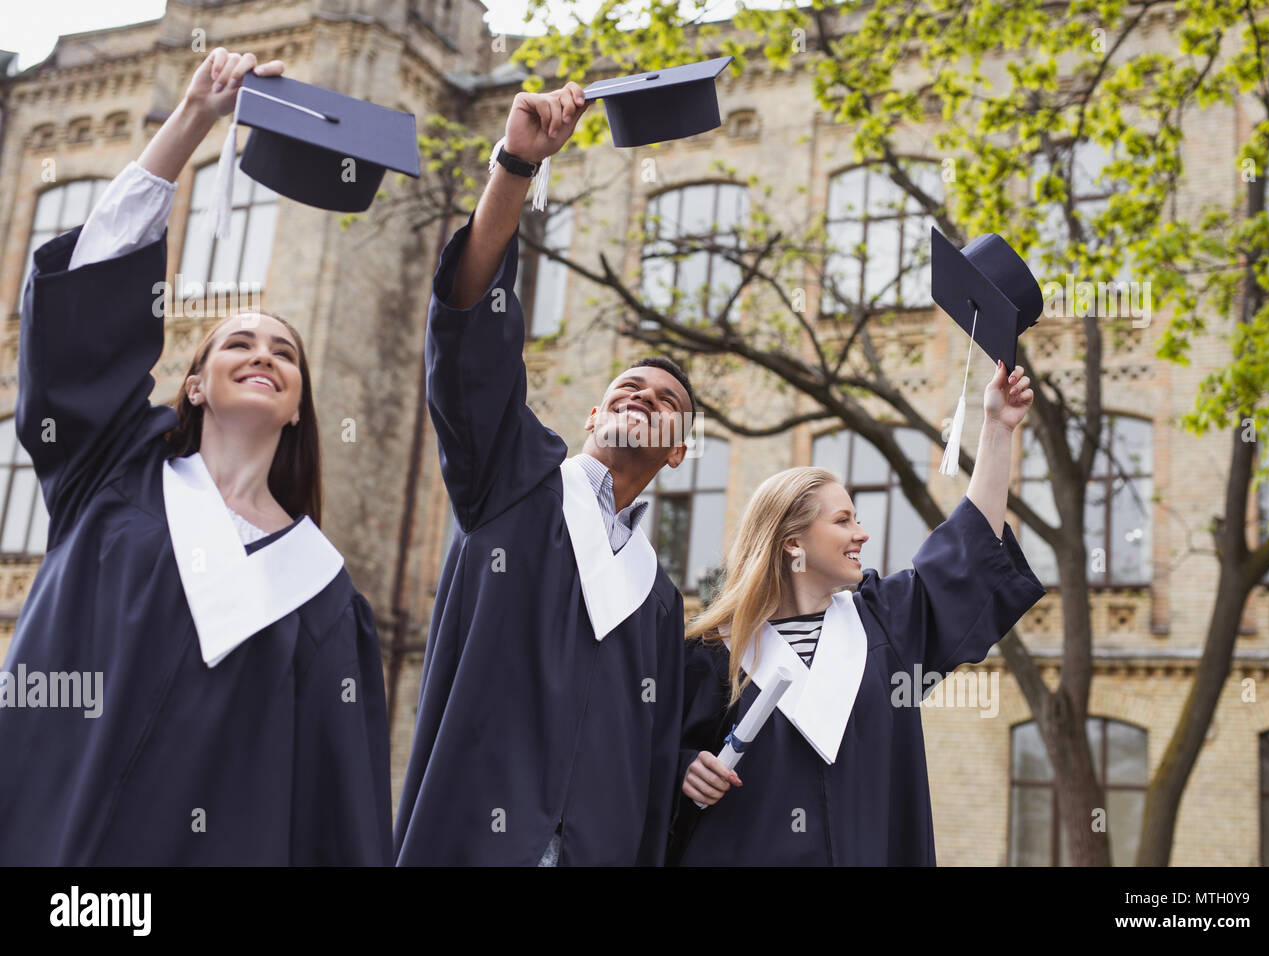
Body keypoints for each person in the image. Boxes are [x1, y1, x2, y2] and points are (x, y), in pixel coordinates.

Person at [0, 49, 392, 865]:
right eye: (237, 344)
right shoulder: (114, 468)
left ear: (297, 407)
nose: (263, 354)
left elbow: (336, 803)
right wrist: (193, 120)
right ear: (196, 385)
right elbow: (83, 312)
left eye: (284, 352)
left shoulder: (323, 594)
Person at [394, 82, 694, 865]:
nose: (641, 393)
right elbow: (470, 334)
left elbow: (657, 772)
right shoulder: (514, 483)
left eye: (667, 400)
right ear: (593, 418)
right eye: (625, 386)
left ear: (677, 451)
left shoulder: (658, 602)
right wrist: (517, 165)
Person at [670, 361, 1047, 865]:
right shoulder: (716, 654)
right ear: (792, 542)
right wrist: (686, 766)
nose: (861, 534)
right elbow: (648, 761)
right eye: (843, 520)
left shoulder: (885, 623)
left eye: (859, 518)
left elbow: (967, 549)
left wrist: (997, 429)